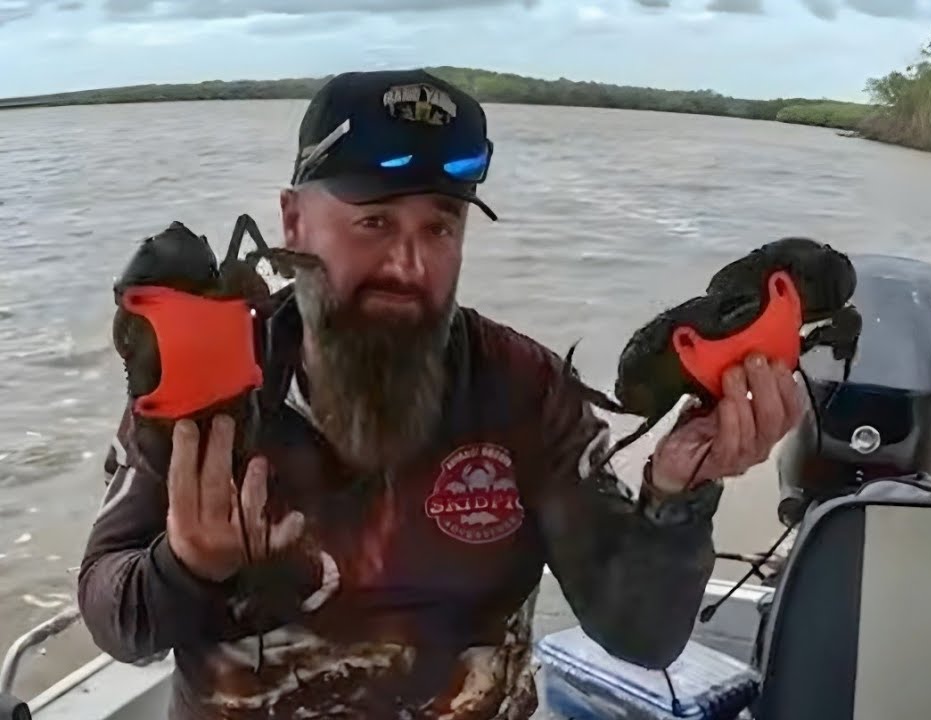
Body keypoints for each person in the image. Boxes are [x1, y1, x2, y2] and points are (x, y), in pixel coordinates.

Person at [76, 69, 806, 720]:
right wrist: (186, 567)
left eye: (440, 225)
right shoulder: (208, 378)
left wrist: (678, 497)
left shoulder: (526, 389)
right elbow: (117, 618)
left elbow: (640, 637)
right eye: (374, 222)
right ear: (293, 220)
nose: (408, 261)